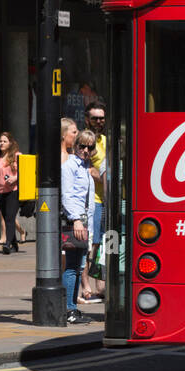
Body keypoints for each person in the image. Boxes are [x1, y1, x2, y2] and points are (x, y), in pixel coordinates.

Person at [61, 131, 95, 324]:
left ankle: (73, 307)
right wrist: (76, 220)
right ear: (75, 146)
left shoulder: (85, 168)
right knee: (72, 267)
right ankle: (69, 310)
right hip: (76, 222)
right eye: (82, 146)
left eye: (89, 147)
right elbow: (67, 196)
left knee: (79, 265)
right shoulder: (70, 167)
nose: (85, 150)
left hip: (84, 222)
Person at [80, 102, 108, 304]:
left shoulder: (106, 140)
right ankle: (85, 286)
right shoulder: (85, 141)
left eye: (102, 118)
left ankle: (100, 285)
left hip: (107, 199)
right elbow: (86, 169)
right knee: (90, 244)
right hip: (93, 201)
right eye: (94, 118)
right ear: (87, 119)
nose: (99, 121)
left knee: (102, 244)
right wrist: (98, 176)